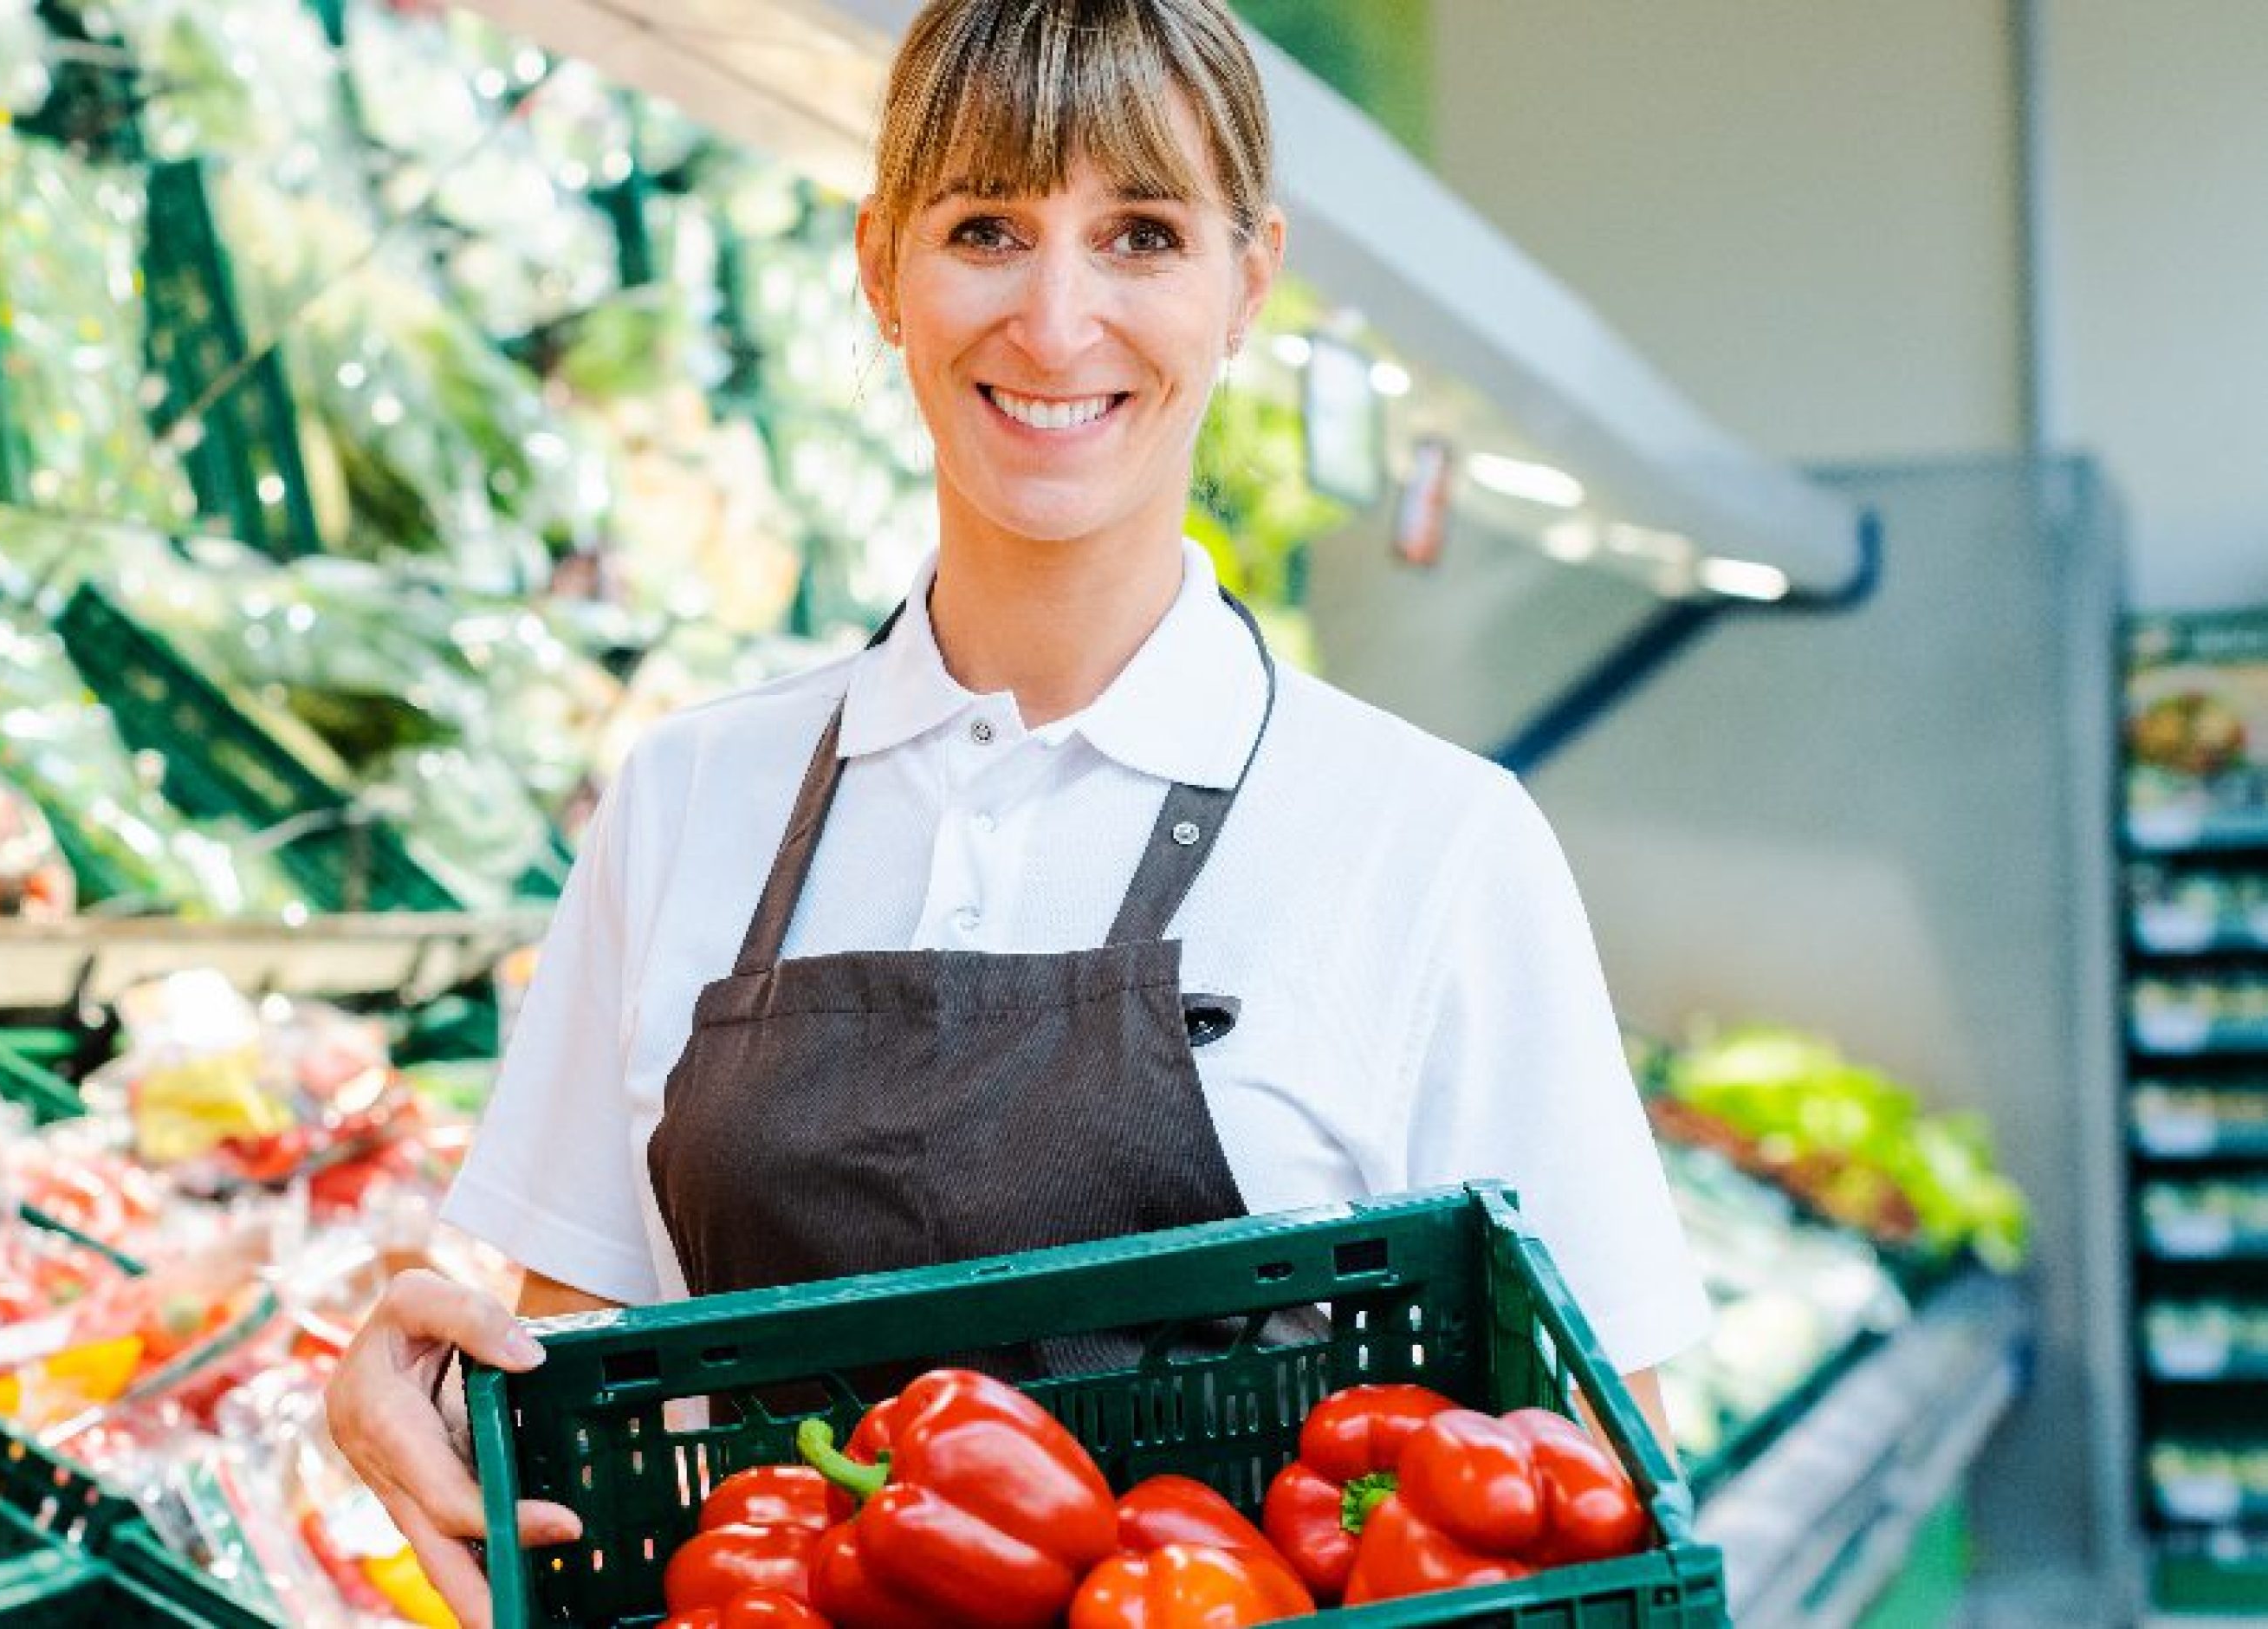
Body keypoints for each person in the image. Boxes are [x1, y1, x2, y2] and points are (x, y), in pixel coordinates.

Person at [326, 0, 1710, 1616]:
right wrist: (434, 1403)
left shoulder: (1430, 846)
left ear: (1247, 282)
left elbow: (1607, 1500)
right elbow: (582, 1424)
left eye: (1140, 234)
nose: (1058, 325)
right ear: (879, 267)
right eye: (987, 226)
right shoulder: (686, 802)